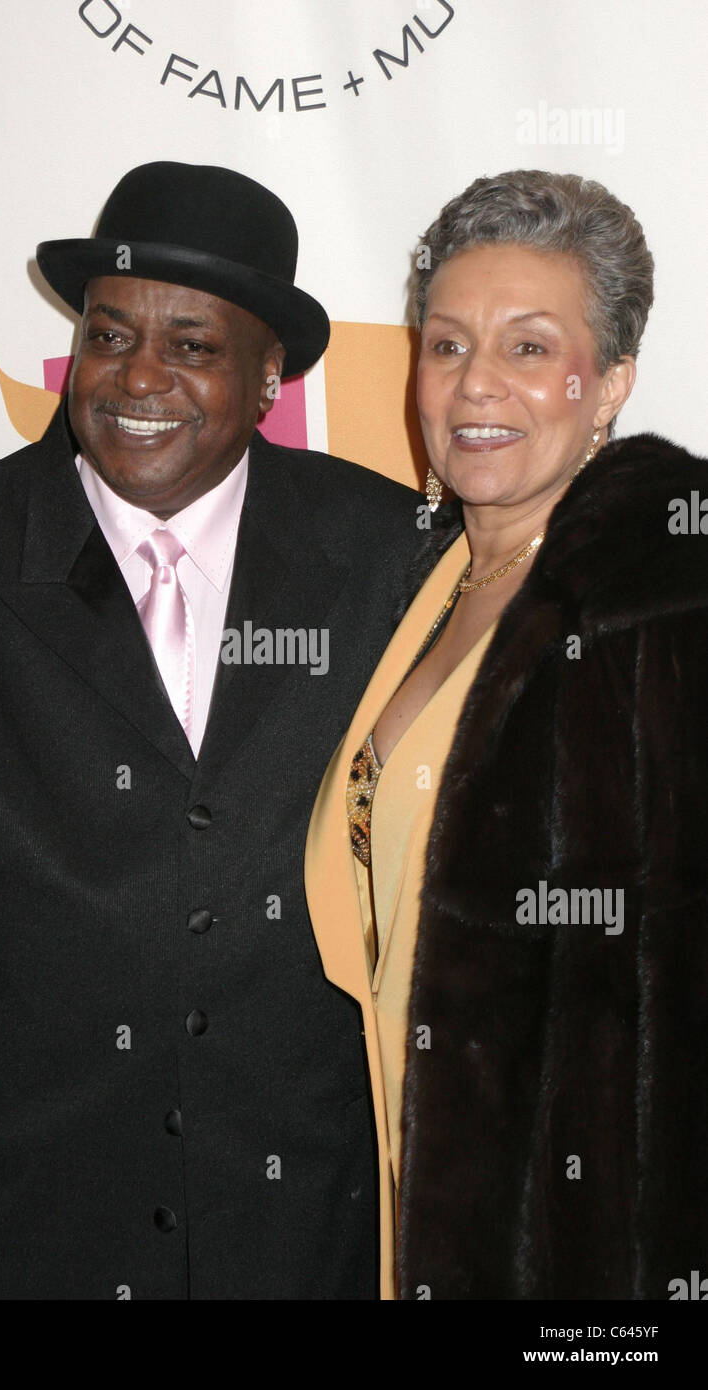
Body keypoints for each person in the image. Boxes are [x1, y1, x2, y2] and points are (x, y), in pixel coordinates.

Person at [0, 160, 423, 1299]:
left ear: (268, 380)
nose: (138, 376)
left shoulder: (393, 555)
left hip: (300, 1247)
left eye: (194, 347)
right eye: (109, 336)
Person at [305, 168, 708, 1299]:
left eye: (530, 348)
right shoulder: (430, 583)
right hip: (419, 1219)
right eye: (445, 344)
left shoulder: (660, 587)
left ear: (610, 378)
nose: (474, 383)